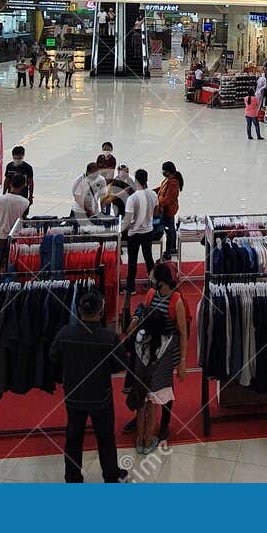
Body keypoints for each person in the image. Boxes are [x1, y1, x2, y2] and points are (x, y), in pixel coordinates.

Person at [50, 290, 125, 483]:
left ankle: (72, 477)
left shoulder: (65, 333)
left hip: (74, 396)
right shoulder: (108, 337)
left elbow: (53, 358)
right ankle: (110, 475)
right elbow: (119, 366)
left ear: (78, 310)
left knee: (73, 439)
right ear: (101, 312)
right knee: (106, 438)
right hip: (101, 397)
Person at [122, 262, 189, 453]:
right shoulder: (152, 294)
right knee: (147, 389)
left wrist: (182, 362)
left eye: (153, 279)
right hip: (149, 349)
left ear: (161, 282)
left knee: (162, 391)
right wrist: (135, 318)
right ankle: (144, 426)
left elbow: (183, 333)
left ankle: (163, 425)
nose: (150, 281)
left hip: (166, 353)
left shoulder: (176, 301)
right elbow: (143, 311)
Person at [0, 174, 30, 272]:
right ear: (23, 186)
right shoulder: (25, 202)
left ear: (10, 184)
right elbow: (23, 218)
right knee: (15, 263)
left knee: (1, 265)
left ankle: (2, 284)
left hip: (0, 237)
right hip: (15, 238)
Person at [123, 169, 157, 293]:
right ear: (146, 179)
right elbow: (155, 210)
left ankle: (130, 287)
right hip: (148, 231)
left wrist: (122, 229)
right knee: (149, 257)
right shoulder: (153, 194)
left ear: (136, 180)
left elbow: (128, 220)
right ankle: (154, 283)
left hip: (134, 233)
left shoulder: (132, 198)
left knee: (132, 260)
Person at [155, 162, 183, 256]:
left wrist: (158, 202)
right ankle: (172, 248)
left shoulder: (173, 183)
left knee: (169, 230)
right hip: (167, 208)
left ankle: (170, 250)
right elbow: (161, 188)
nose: (163, 172)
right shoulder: (168, 179)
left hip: (169, 210)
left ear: (168, 171)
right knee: (170, 228)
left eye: (164, 170)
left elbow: (168, 198)